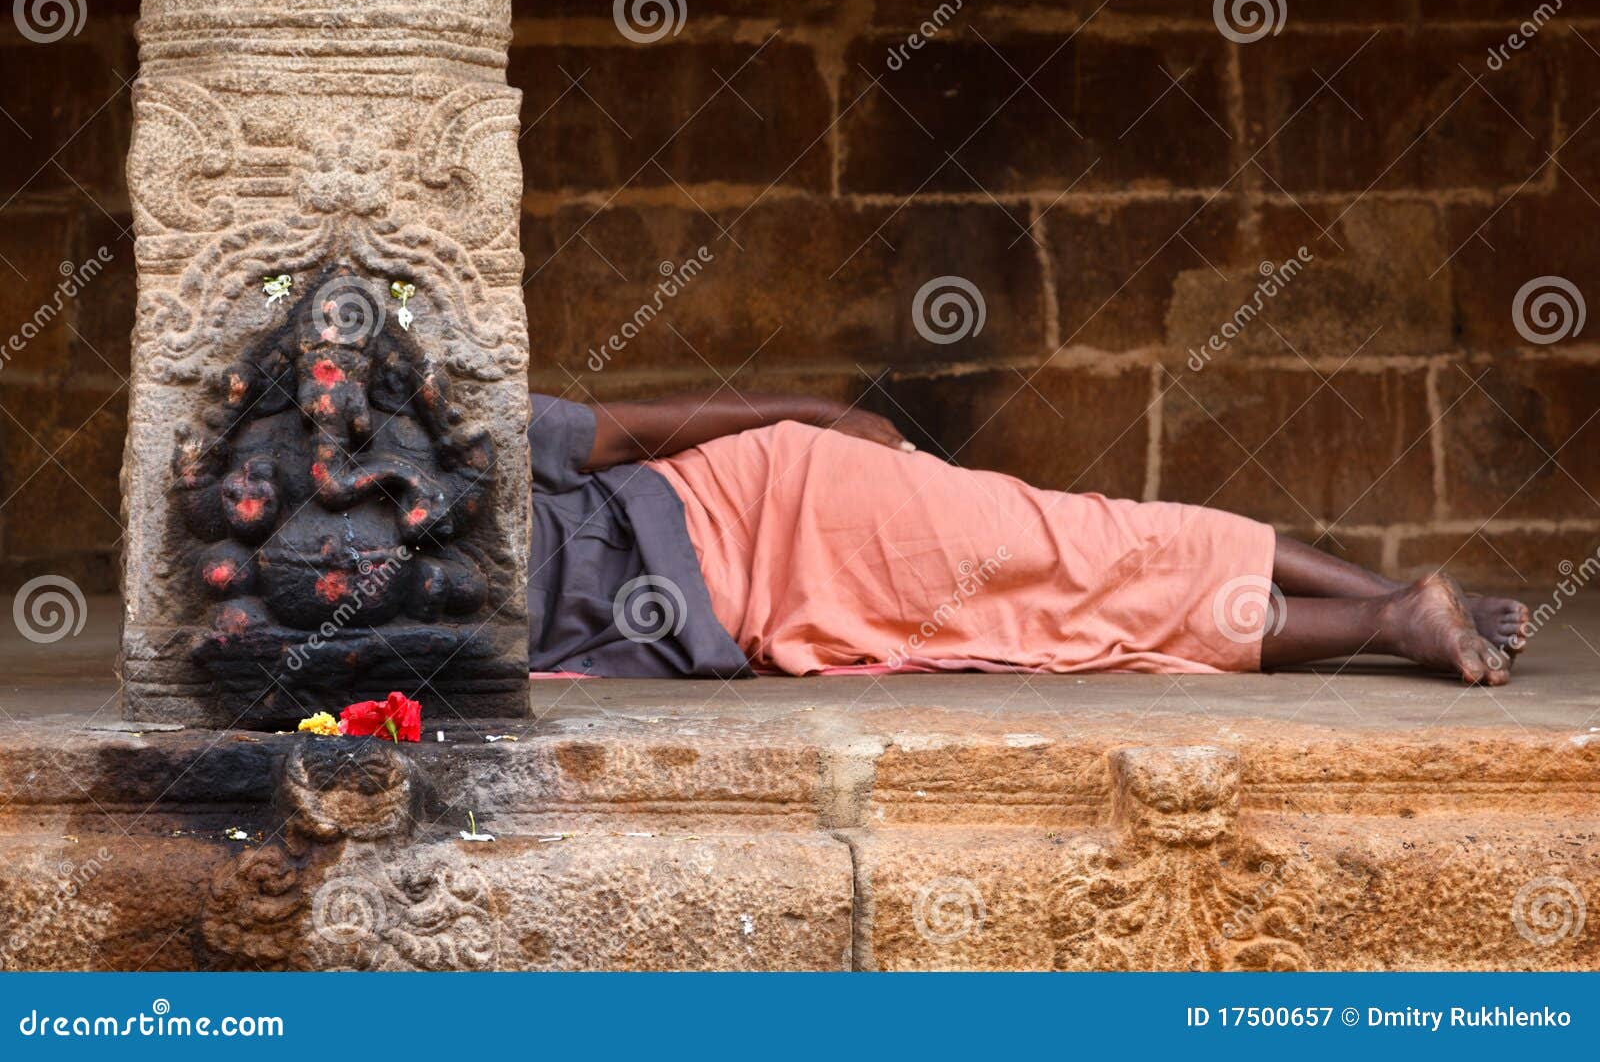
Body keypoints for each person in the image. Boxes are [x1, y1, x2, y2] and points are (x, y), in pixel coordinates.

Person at [526, 389, 1531, 686]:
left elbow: (635, 427)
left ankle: (1395, 600)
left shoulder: (469, 435)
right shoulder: (377, 636)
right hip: (768, 619)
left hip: (768, 502)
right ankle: (1396, 613)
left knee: (1081, 548)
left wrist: (824, 414)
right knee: (1067, 625)